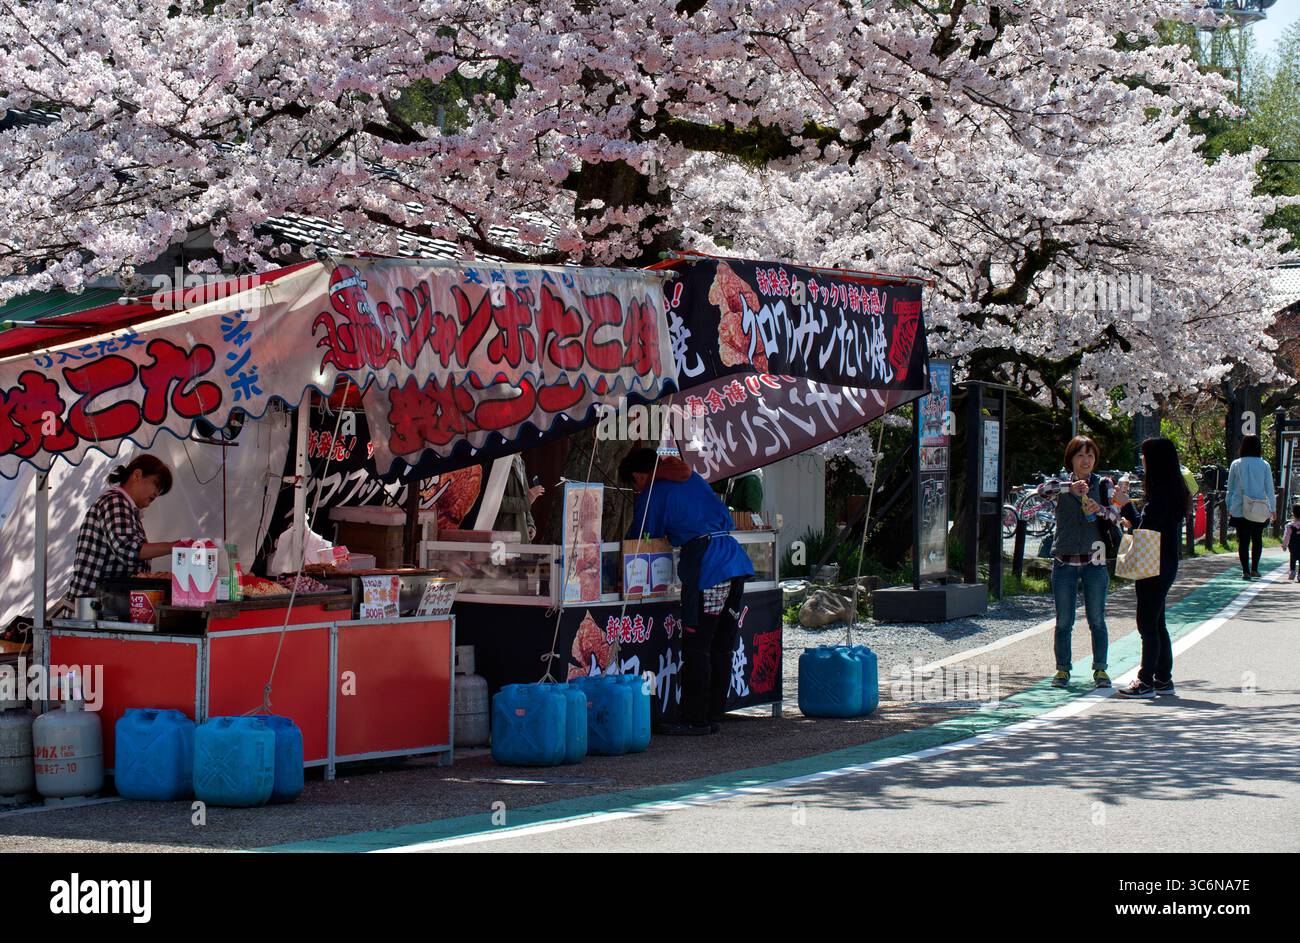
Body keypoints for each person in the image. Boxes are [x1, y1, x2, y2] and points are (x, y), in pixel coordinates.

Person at [618, 448, 754, 735]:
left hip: (709, 566)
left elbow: (639, 539)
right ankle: (714, 711)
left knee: (697, 644)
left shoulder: (653, 491)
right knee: (720, 644)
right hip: (734, 561)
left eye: (633, 484)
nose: (636, 490)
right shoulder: (690, 478)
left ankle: (695, 719)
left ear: (639, 475)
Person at [1034, 436, 1122, 689]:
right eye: (1081, 455)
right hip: (1064, 561)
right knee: (1064, 621)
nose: (1086, 461)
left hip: (1095, 561)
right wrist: (1068, 487)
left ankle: (1101, 670)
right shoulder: (1060, 485)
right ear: (1071, 459)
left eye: (1091, 456)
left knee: (1097, 619)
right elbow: (1041, 491)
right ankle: (1062, 669)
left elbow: (1116, 515)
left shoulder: (1103, 484)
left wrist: (1101, 510)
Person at [1114, 437, 1191, 699]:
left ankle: (1145, 680)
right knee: (1157, 622)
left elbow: (1145, 528)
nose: (1142, 461)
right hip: (1166, 562)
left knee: (1147, 623)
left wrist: (1125, 505)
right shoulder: (1174, 489)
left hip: (1152, 563)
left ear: (1155, 461)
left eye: (1145, 457)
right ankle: (1163, 679)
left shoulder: (1160, 494)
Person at [68, 456, 178, 599]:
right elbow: (128, 549)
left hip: (104, 604)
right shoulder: (116, 501)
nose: (157, 493)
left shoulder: (127, 508)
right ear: (137, 475)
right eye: (156, 484)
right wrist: (175, 546)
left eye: (160, 490)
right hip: (93, 605)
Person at [1226, 435, 1275, 579]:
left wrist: (1229, 505)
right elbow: (1269, 489)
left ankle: (1245, 571)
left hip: (1240, 507)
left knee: (1243, 540)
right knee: (1257, 538)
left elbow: (1230, 487)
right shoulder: (1264, 465)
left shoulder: (1236, 464)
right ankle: (1255, 569)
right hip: (1258, 508)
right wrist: (1273, 509)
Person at [494, 454, 544, 541]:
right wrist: (526, 501)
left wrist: (529, 523)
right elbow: (496, 502)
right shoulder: (499, 462)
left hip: (521, 533)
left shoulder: (520, 461)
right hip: (505, 536)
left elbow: (525, 497)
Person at [1284, 505, 1300, 582]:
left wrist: (1284, 545)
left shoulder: (1290, 526)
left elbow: (1287, 536)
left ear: (1293, 513)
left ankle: (1292, 572)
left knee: (1292, 559)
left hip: (1293, 547)